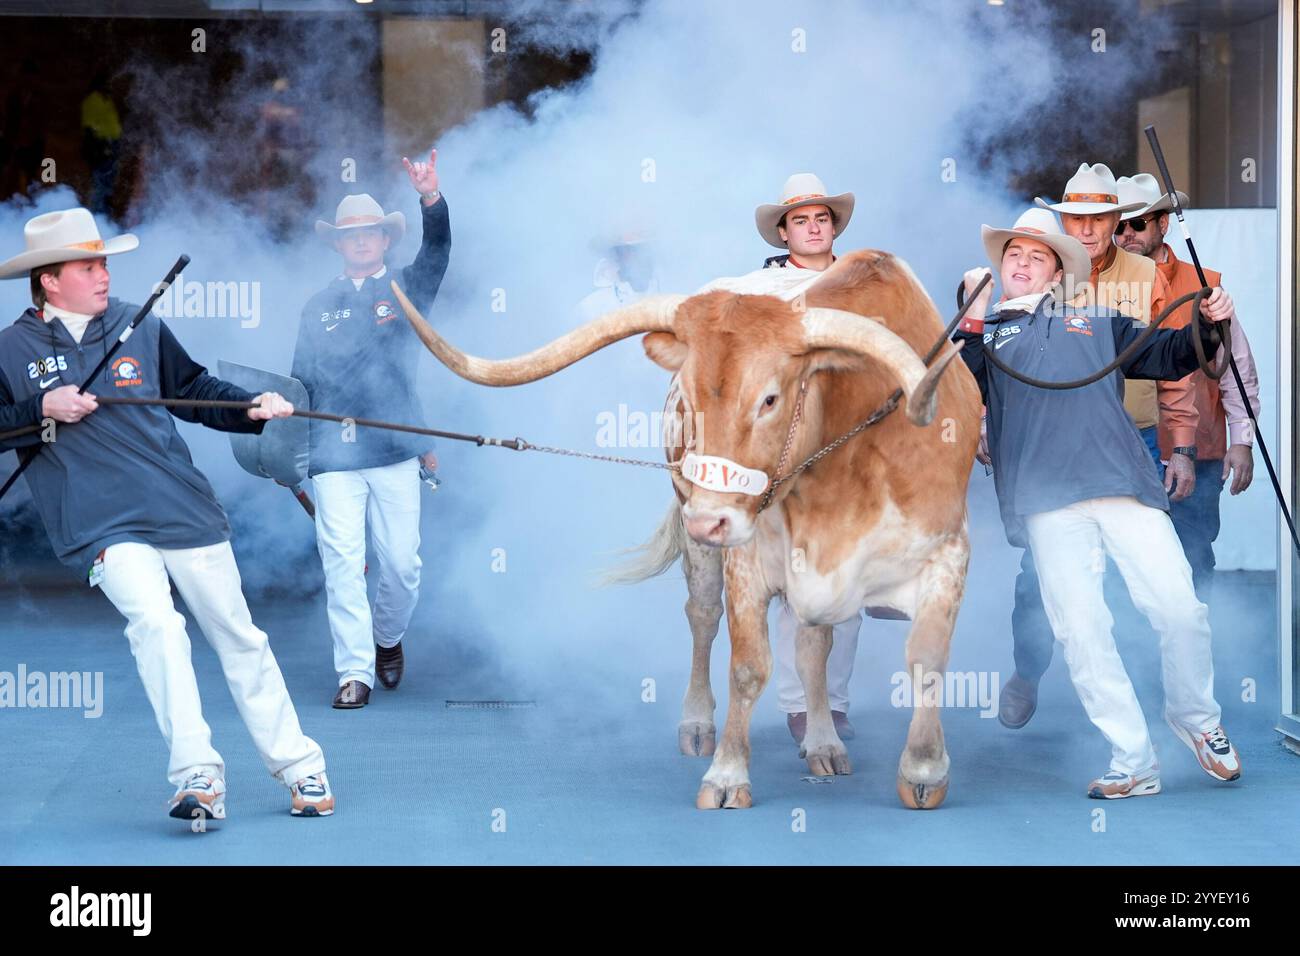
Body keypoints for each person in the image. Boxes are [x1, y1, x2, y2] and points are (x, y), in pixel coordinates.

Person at [0, 207, 332, 821]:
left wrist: (249, 407)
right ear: (49, 279)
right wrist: (40, 409)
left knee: (238, 635)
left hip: (180, 506)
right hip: (97, 523)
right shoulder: (10, 349)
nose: (103, 275)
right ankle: (197, 777)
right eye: (87, 265)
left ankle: (301, 769)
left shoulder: (138, 324)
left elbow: (196, 390)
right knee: (156, 625)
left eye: (104, 263)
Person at [955, 207, 1241, 798]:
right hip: (1045, 500)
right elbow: (958, 396)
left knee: (1180, 608)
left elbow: (1170, 355)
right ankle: (1133, 760)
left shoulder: (1097, 318)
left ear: (1060, 273)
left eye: (1038, 256)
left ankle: (1197, 719)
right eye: (1014, 254)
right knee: (1082, 631)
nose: (1024, 263)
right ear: (999, 268)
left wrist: (1210, 324)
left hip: (1122, 484)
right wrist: (973, 321)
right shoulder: (983, 333)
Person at [999, 162, 1195, 728]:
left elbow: (1169, 362)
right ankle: (1028, 671)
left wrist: (1180, 444)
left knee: (1159, 575)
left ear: (1117, 221)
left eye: (1099, 218)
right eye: (1076, 218)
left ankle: (1159, 704)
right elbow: (999, 361)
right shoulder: (1032, 273)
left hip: (1132, 436)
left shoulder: (1145, 274)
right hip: (1054, 438)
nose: (1086, 229)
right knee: (1040, 579)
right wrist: (993, 420)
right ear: (1063, 222)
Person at [291, 149, 450, 708]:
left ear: (386, 240)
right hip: (333, 458)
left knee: (403, 566)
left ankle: (387, 639)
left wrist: (430, 197)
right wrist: (295, 454)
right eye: (351, 234)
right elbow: (300, 384)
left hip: (395, 447)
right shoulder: (317, 305)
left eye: (371, 233)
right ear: (338, 243)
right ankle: (352, 672)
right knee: (341, 565)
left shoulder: (408, 289)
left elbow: (439, 250)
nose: (361, 241)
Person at [1115, 173, 1261, 602]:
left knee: (1193, 557)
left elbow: (1236, 368)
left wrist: (1244, 441)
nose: (1126, 234)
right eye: (1119, 225)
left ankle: (1198, 661)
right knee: (1124, 570)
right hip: (1127, 451)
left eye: (1138, 223)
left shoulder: (1204, 284)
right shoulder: (1096, 284)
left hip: (1199, 450)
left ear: (1163, 224)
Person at [753, 172, 860, 744]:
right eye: (802, 220)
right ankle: (801, 705)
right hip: (784, 454)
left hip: (849, 451)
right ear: (783, 231)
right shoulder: (758, 291)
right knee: (799, 579)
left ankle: (833, 702)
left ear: (833, 226)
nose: (814, 227)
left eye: (822, 218)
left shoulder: (862, 284)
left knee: (847, 583)